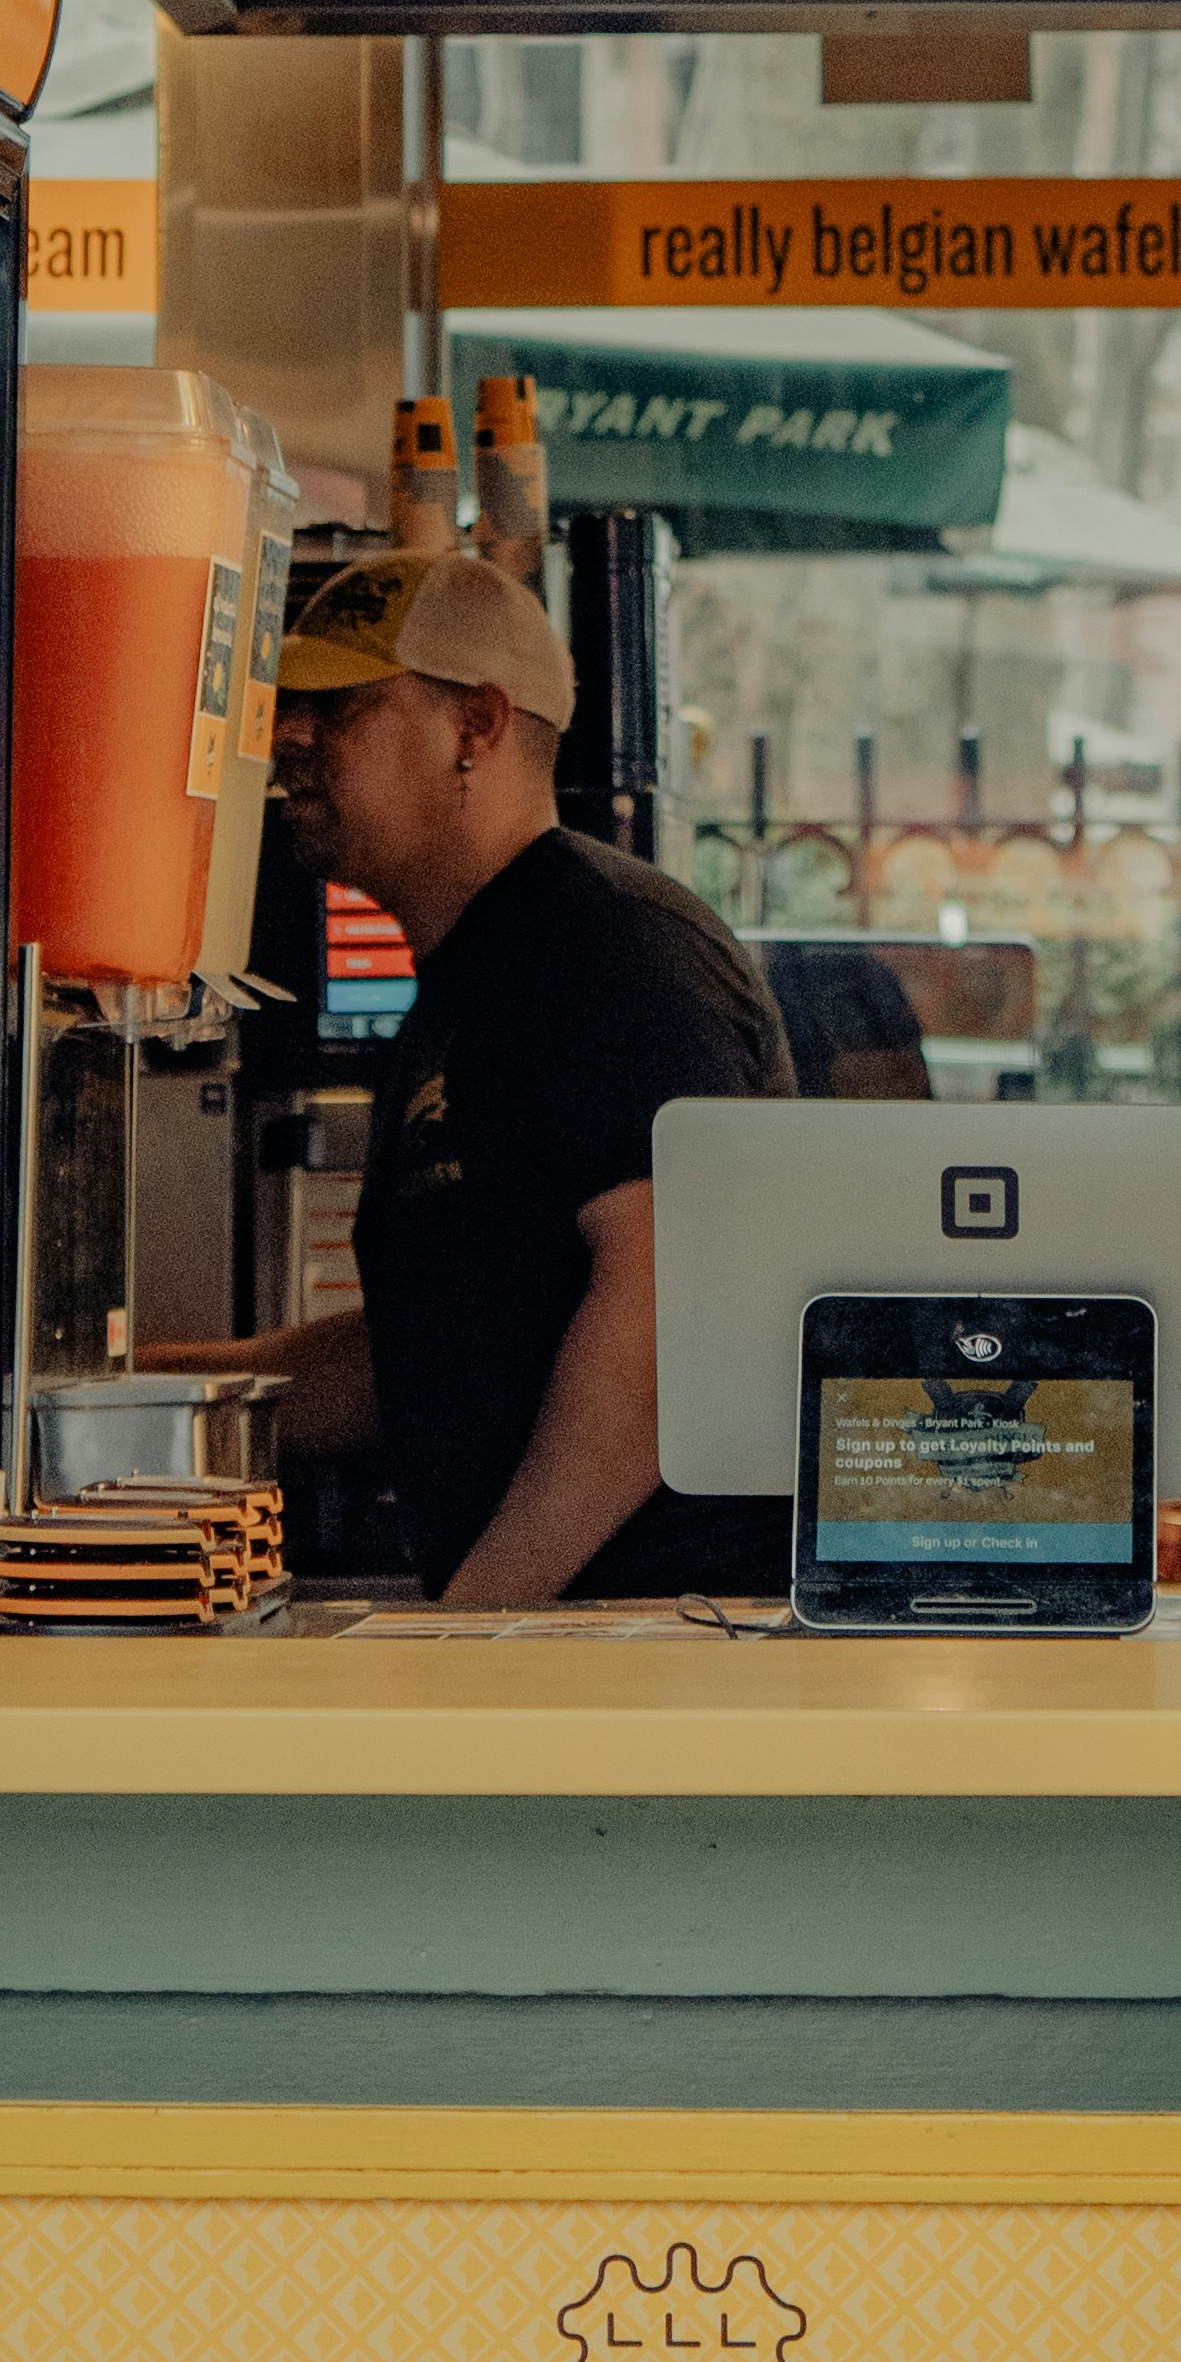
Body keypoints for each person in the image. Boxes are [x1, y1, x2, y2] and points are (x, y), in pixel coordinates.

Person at [253, 541, 796, 1602]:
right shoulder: (473, 977)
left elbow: (664, 1315)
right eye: (287, 703)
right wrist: (136, 1393)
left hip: (655, 1641)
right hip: (571, 1642)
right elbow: (432, 1355)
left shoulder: (609, 948)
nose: (290, 736)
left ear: (477, 725)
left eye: (343, 705)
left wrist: (471, 1626)